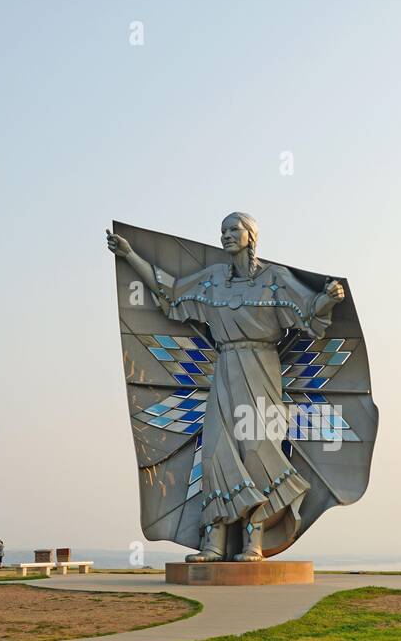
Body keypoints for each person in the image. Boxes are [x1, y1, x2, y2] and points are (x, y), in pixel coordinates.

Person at [107, 213, 346, 562]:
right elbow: (170, 291)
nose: (226, 236)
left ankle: (254, 542)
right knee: (217, 450)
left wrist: (330, 297)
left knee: (256, 449)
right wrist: (130, 255)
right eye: (223, 231)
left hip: (261, 367)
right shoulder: (214, 280)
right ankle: (214, 542)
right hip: (225, 368)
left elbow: (310, 314)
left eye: (234, 229)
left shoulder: (275, 279)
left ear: (251, 236)